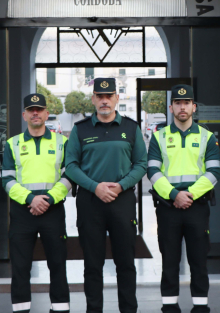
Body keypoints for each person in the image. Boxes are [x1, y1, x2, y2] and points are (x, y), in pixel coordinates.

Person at [64, 77, 147, 313]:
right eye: (99, 96)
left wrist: (121, 186)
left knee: (126, 263)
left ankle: (129, 309)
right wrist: (95, 187)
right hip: (90, 203)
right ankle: (94, 309)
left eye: (108, 96)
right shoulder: (80, 129)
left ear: (117, 98)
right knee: (92, 264)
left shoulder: (131, 127)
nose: (104, 100)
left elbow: (141, 164)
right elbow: (70, 166)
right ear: (93, 99)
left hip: (122, 201)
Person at [146, 84, 220, 313]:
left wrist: (190, 195)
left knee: (199, 260)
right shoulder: (159, 137)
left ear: (193, 107)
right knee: (169, 260)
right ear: (171, 107)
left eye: (186, 102)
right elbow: (152, 171)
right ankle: (169, 307)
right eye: (178, 103)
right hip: (168, 207)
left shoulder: (207, 136)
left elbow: (214, 172)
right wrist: (174, 195)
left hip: (197, 206)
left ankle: (200, 307)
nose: (182, 107)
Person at [3, 93, 71, 313]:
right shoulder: (13, 143)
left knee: (58, 263)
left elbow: (68, 175)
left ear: (46, 114)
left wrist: (49, 198)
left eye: (39, 109)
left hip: (53, 209)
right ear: (24, 115)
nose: (35, 113)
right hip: (23, 211)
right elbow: (7, 179)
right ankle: (21, 309)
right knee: (21, 267)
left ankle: (60, 308)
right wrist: (30, 199)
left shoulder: (62, 142)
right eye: (31, 110)